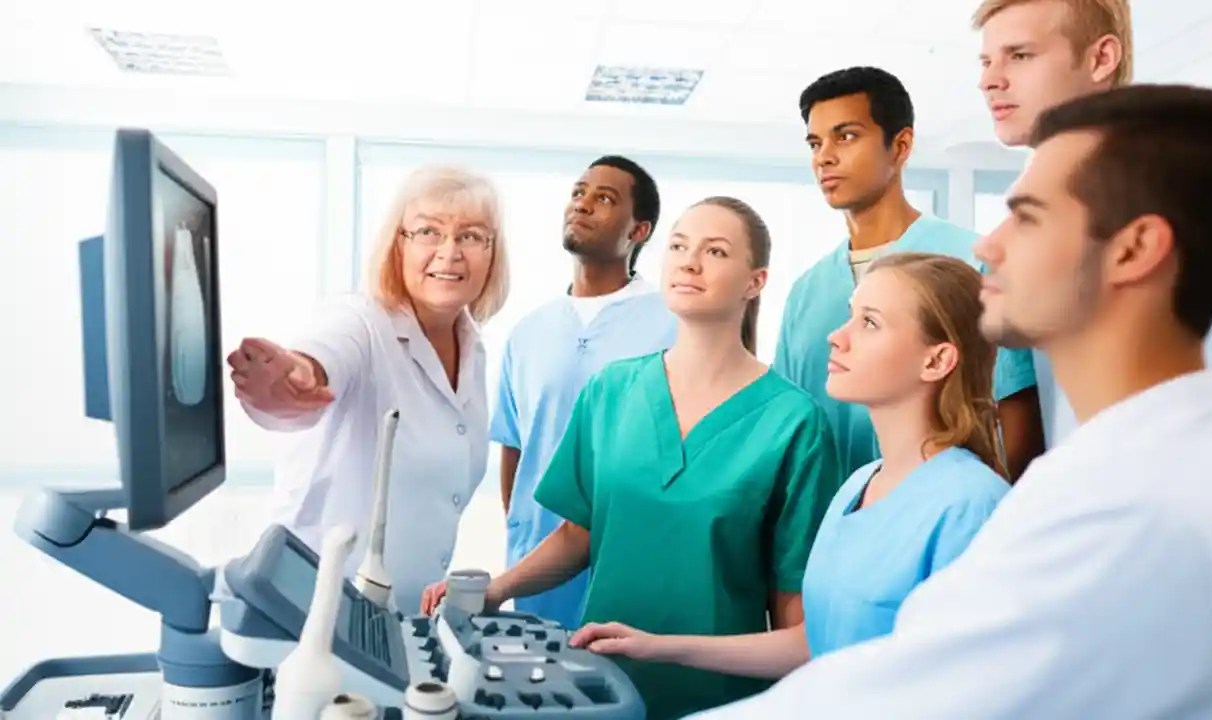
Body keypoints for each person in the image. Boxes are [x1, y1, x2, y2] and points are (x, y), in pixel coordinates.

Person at [689, 85, 1212, 719]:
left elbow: (902, 698)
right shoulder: (1113, 474)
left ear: (1134, 249)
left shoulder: (1135, 513)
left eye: (1026, 216)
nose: (986, 245)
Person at [423, 197, 841, 719]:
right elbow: (580, 535)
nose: (689, 262)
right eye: (679, 246)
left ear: (755, 282)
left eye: (715, 251)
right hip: (594, 685)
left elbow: (793, 613)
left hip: (715, 698)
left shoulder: (793, 422)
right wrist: (496, 589)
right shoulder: (612, 391)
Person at [567, 252, 1010, 678]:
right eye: (850, 315)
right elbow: (811, 645)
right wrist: (656, 646)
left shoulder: (970, 507)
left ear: (936, 360)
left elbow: (970, 685)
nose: (837, 336)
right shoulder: (858, 486)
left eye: (869, 322)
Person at [976, 0, 1212, 515]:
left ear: (1101, 58)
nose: (990, 80)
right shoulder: (1028, 236)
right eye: (985, 62)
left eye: (1019, 56)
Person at [228, 165, 509, 613]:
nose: (450, 252)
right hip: (312, 615)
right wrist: (295, 377)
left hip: (399, 625)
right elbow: (321, 358)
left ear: (493, 253)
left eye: (472, 236)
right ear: (397, 243)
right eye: (428, 232)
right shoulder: (360, 321)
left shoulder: (473, 348)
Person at [774, 66, 1041, 481]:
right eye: (815, 142)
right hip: (832, 521)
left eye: (846, 136)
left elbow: (1017, 422)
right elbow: (791, 426)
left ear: (900, 147)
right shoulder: (806, 293)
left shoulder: (975, 264)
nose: (824, 156)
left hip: (947, 523)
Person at [493, 155, 676, 628]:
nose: (583, 204)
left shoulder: (671, 322)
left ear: (639, 231)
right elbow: (515, 448)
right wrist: (526, 529)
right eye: (579, 193)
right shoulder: (529, 332)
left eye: (605, 198)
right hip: (535, 563)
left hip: (628, 560)